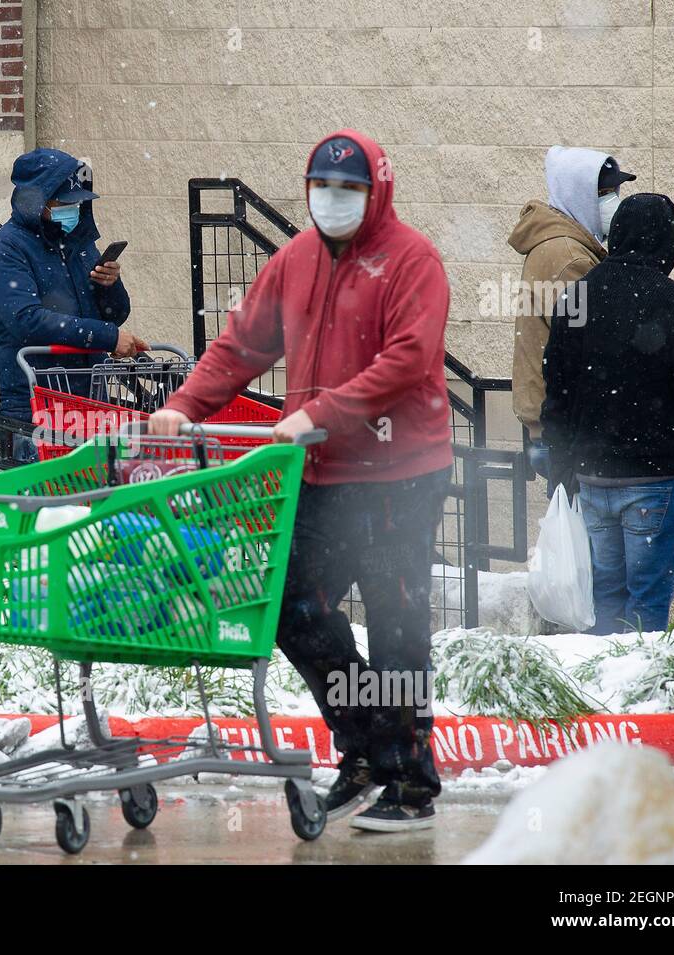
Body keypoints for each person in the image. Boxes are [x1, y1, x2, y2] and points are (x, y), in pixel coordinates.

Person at [150, 130, 453, 832]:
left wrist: (319, 411)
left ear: (377, 192)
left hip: (398, 474)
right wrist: (182, 404)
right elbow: (240, 346)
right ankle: (367, 748)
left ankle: (411, 779)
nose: (333, 200)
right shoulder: (294, 261)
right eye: (322, 186)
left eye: (349, 189)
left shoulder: (413, 262)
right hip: (319, 470)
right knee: (288, 603)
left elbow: (407, 361)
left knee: (395, 620)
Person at [542, 193, 674, 636]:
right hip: (653, 482)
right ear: (669, 242)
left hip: (591, 478)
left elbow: (557, 392)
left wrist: (560, 464)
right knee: (647, 604)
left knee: (604, 599)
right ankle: (640, 697)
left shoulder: (575, 299)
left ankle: (603, 696)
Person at [0, 148, 143, 461]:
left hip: (88, 399)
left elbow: (115, 314)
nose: (73, 209)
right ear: (35, 201)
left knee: (90, 496)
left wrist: (110, 286)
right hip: (34, 400)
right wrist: (107, 337)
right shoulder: (7, 249)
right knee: (43, 500)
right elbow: (27, 320)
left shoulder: (78, 243)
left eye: (77, 202)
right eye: (64, 203)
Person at [510, 146, 636, 491]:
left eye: (614, 192)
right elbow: (592, 344)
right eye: (603, 193)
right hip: (567, 429)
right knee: (587, 538)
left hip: (555, 423)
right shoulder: (567, 257)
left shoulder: (563, 247)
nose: (613, 202)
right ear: (577, 195)